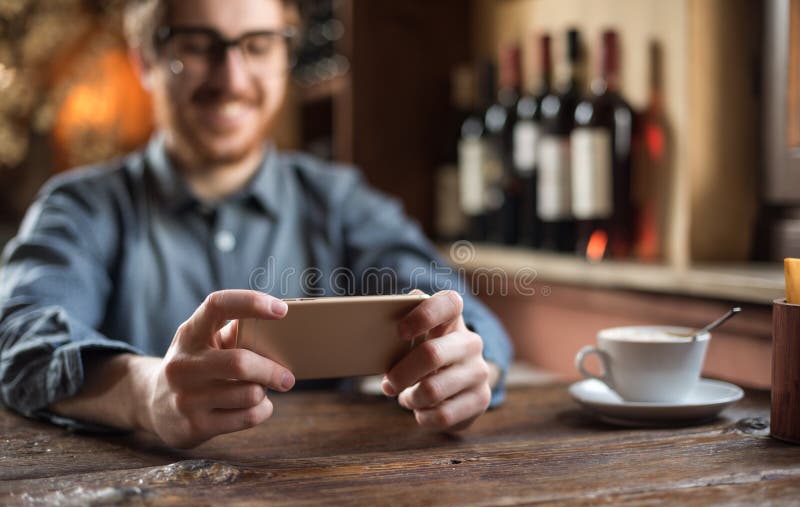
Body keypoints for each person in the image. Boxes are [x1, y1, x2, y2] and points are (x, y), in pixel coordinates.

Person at [0, 0, 512, 449]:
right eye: (198, 46)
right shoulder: (81, 206)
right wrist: (146, 392)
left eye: (258, 45)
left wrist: (468, 363)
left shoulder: (341, 200)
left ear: (285, 58)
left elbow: (457, 310)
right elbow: (21, 338)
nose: (231, 79)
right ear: (146, 61)